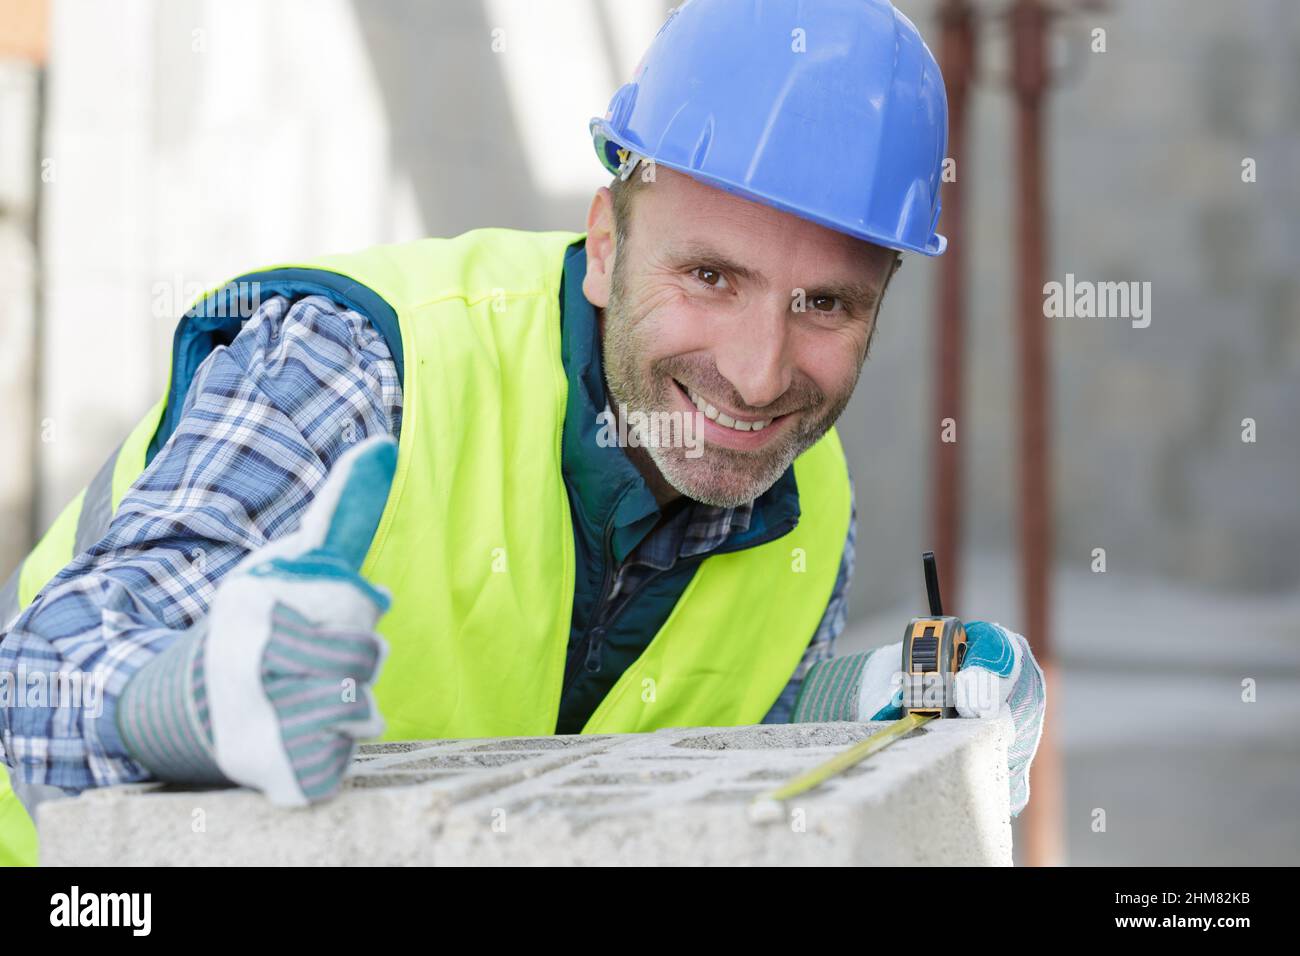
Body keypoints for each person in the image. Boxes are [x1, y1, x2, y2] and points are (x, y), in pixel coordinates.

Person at [0, 0, 1044, 866]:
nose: (759, 372)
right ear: (604, 243)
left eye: (825, 304)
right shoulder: (362, 365)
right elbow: (36, 677)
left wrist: (872, 703)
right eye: (710, 276)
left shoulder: (807, 496)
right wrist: (181, 700)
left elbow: (696, 746)